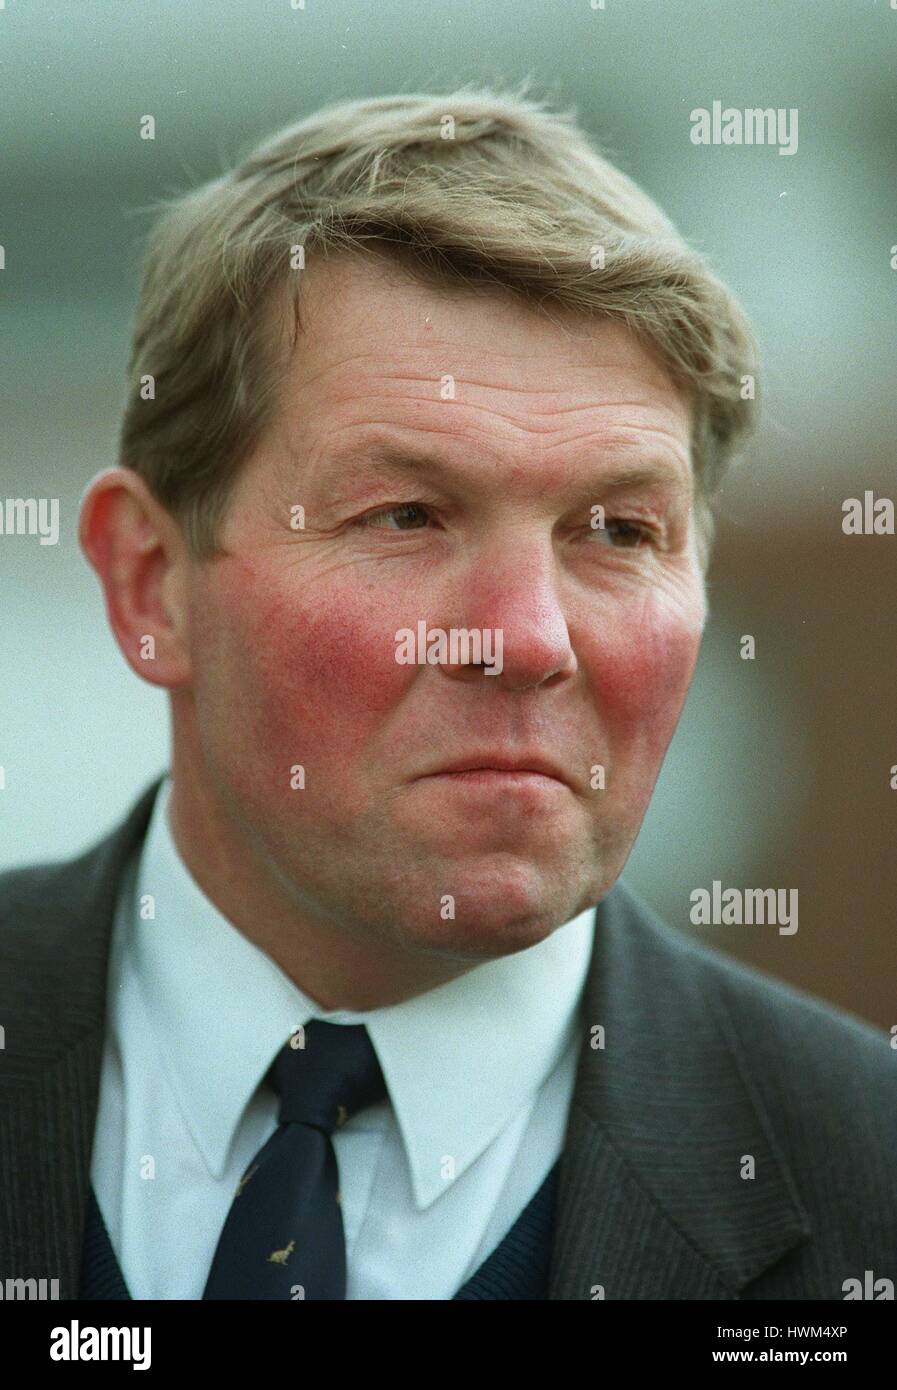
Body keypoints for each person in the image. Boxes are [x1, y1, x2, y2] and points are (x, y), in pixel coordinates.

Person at [1, 88, 894, 1302]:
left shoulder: (866, 1187)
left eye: (619, 531)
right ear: (153, 583)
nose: (527, 640)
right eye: (407, 515)